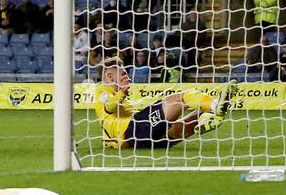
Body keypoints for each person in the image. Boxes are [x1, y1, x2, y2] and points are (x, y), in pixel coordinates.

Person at [94, 56, 237, 150]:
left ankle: (208, 115)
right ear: (110, 77)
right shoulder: (103, 90)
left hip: (135, 142)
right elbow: (109, 106)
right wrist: (122, 92)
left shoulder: (114, 95)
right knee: (181, 98)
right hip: (133, 130)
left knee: (178, 128)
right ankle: (214, 106)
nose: (127, 77)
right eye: (123, 74)